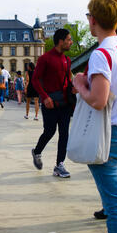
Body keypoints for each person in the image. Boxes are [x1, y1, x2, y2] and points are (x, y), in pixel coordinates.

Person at [74, 0, 117, 233]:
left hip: (110, 136)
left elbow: (98, 99)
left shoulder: (101, 54)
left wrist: (79, 84)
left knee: (115, 207)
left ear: (92, 20)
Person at [31, 28, 74, 179]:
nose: (71, 42)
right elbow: (35, 80)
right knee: (49, 132)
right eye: (69, 39)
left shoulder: (67, 60)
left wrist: (74, 89)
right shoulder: (45, 58)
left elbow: (68, 79)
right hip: (50, 102)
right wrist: (44, 97)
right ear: (61, 41)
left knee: (64, 134)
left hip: (65, 103)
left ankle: (59, 165)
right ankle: (37, 151)